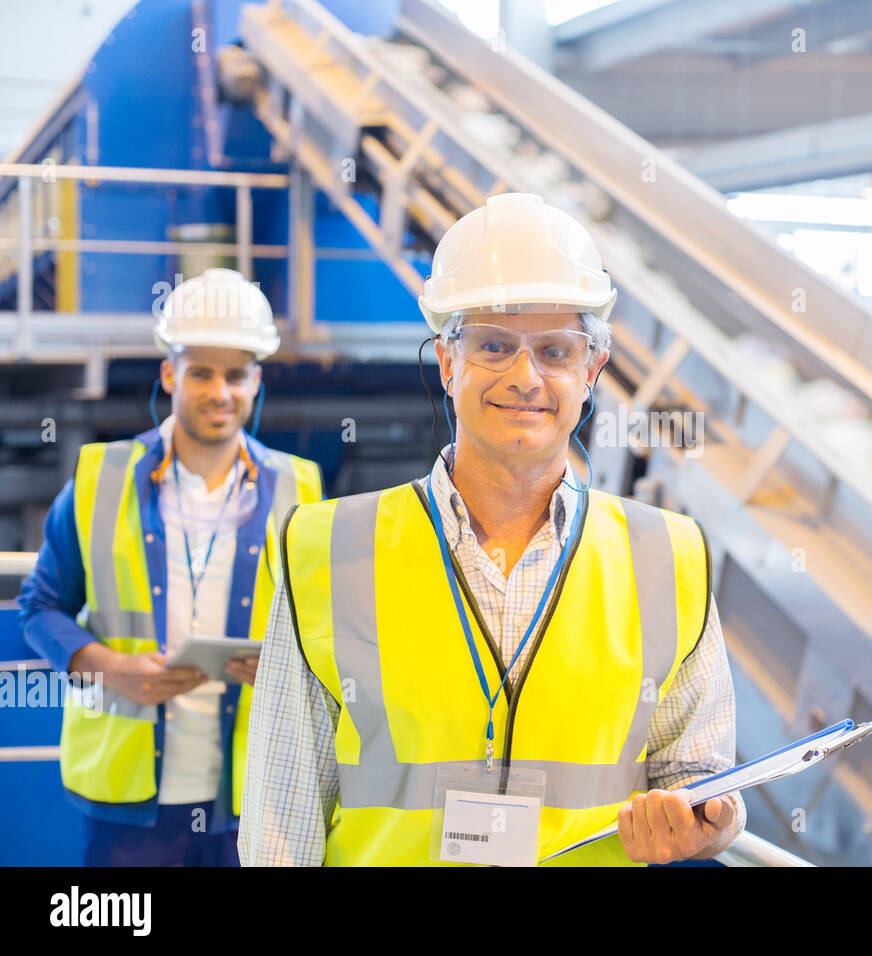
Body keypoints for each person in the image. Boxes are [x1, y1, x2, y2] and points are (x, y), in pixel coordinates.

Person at [239, 192, 745, 866]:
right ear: (449, 363)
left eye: (556, 351)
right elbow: (282, 822)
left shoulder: (668, 560)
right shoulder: (328, 552)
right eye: (494, 345)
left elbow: (698, 774)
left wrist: (711, 817)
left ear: (591, 372)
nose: (525, 376)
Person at [17, 268, 323, 866]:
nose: (219, 392)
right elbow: (38, 609)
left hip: (256, 794)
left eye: (236, 376)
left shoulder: (300, 487)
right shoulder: (98, 481)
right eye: (201, 373)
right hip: (130, 804)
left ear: (256, 381)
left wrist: (289, 670)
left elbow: (328, 631)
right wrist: (112, 668)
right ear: (169, 373)